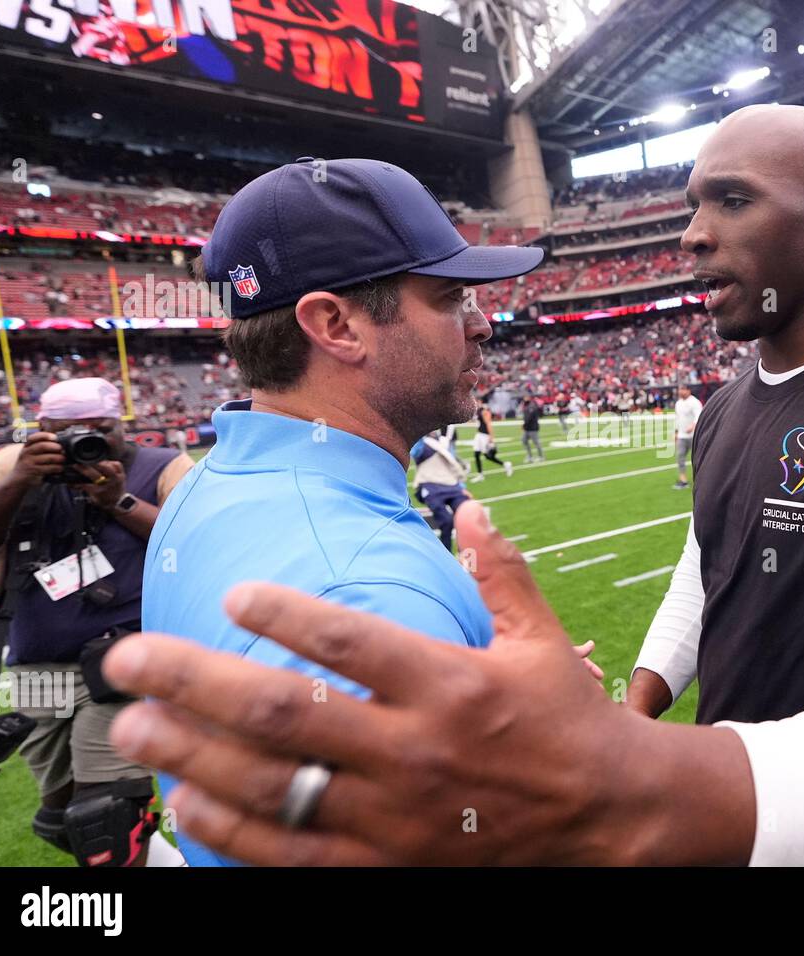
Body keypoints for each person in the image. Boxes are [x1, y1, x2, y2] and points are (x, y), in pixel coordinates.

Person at [102, 105, 804, 868]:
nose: (691, 235)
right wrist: (628, 729)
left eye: (731, 201)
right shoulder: (723, 409)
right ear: (335, 326)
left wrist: (623, 762)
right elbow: (707, 558)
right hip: (739, 811)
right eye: (451, 297)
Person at [141, 157, 546, 866]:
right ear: (335, 324)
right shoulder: (368, 603)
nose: (482, 325)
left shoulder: (202, 489)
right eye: (451, 298)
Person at [0, 377, 193, 867]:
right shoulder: (9, 467)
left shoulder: (161, 466)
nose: (83, 441)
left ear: (121, 424)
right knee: (60, 819)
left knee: (105, 815)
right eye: (66, 430)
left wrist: (118, 501)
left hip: (124, 660)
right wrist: (19, 483)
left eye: (99, 429)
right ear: (41, 430)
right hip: (37, 666)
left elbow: (193, 547)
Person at [411, 429, 472, 552]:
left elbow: (451, 465)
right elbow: (415, 453)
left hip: (451, 485)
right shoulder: (421, 443)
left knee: (466, 517)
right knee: (446, 521)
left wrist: (462, 488)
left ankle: (467, 559)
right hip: (430, 486)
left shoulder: (442, 441)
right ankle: (447, 555)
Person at [471, 402, 512, 480]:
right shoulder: (479, 410)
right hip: (479, 434)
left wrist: (491, 438)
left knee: (487, 456)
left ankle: (506, 464)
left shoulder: (485, 411)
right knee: (476, 454)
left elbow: (488, 424)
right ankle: (480, 474)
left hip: (485, 435)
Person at [671, 384, 701, 489]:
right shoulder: (678, 403)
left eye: (683, 389)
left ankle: (700, 480)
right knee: (680, 457)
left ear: (689, 390)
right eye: (680, 389)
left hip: (694, 436)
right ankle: (683, 480)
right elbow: (677, 419)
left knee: (698, 459)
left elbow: (699, 416)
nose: (680, 391)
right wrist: (675, 432)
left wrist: (693, 426)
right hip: (682, 436)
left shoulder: (694, 402)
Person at [520, 397, 544, 462]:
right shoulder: (527, 405)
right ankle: (530, 456)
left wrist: (524, 425)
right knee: (524, 440)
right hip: (527, 428)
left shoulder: (532, 406)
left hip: (532, 428)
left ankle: (541, 456)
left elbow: (529, 417)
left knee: (536, 442)